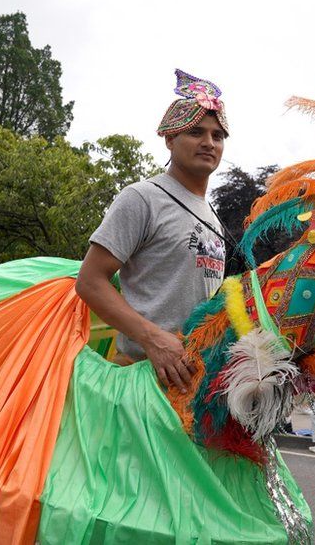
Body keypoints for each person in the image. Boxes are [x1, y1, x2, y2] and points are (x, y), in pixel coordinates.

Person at [75, 69, 229, 393]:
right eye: (196, 132)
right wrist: (152, 338)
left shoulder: (212, 216)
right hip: (141, 385)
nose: (208, 143)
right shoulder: (142, 198)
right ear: (170, 138)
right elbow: (90, 281)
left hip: (195, 388)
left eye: (217, 136)